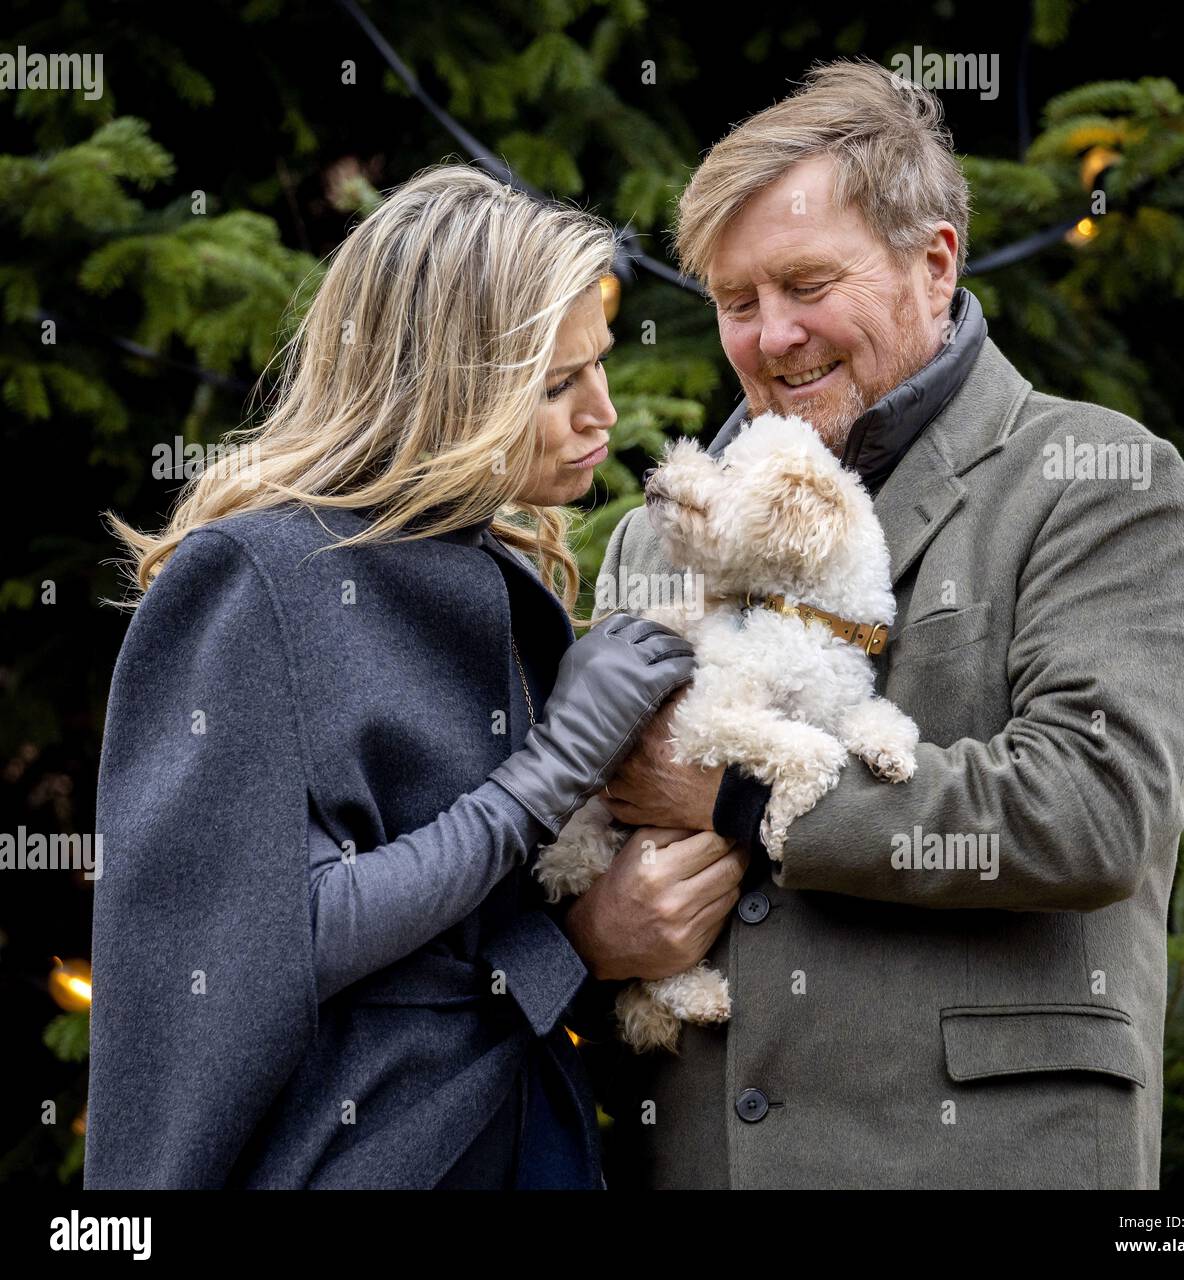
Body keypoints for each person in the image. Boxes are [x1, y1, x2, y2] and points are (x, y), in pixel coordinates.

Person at [565, 58, 1184, 1189]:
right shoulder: (653, 540)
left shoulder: (1098, 480)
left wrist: (741, 795)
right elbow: (569, 820)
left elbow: (1089, 808)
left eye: (806, 284)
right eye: (737, 302)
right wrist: (594, 933)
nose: (772, 337)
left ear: (934, 263)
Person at [83, 163, 746, 1189]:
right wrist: (556, 763)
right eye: (556, 385)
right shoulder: (253, 578)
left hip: (532, 1140)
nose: (602, 413)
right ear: (446, 385)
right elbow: (281, 937)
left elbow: (466, 946)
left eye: (599, 365)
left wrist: (589, 935)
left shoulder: (503, 577)